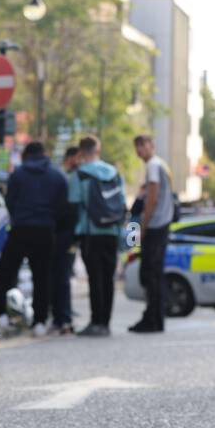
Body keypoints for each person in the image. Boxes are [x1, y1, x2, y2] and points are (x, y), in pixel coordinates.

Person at [0, 141, 66, 336]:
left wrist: (20, 217)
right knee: (42, 277)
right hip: (45, 231)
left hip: (21, 229)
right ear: (44, 153)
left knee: (4, 274)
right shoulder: (57, 175)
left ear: (26, 154)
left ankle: (0, 316)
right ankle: (40, 322)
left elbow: (10, 202)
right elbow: (62, 206)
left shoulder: (18, 174)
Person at [66, 134, 124, 336]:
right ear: (98, 150)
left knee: (95, 278)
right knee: (108, 278)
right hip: (112, 232)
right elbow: (122, 205)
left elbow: (73, 206)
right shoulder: (114, 172)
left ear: (81, 152)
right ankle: (106, 323)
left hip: (90, 232)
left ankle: (96, 321)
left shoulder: (79, 175)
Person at [130, 134, 175, 333]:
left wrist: (143, 226)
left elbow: (153, 197)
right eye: (137, 146)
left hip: (156, 226)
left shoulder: (153, 166)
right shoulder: (161, 165)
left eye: (142, 145)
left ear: (151, 146)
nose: (139, 150)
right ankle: (154, 318)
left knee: (151, 275)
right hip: (162, 225)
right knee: (153, 274)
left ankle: (153, 319)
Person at [50, 146, 80, 335]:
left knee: (60, 277)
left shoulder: (66, 178)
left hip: (62, 234)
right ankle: (63, 319)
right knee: (62, 278)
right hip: (68, 235)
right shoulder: (69, 179)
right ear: (71, 158)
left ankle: (62, 319)